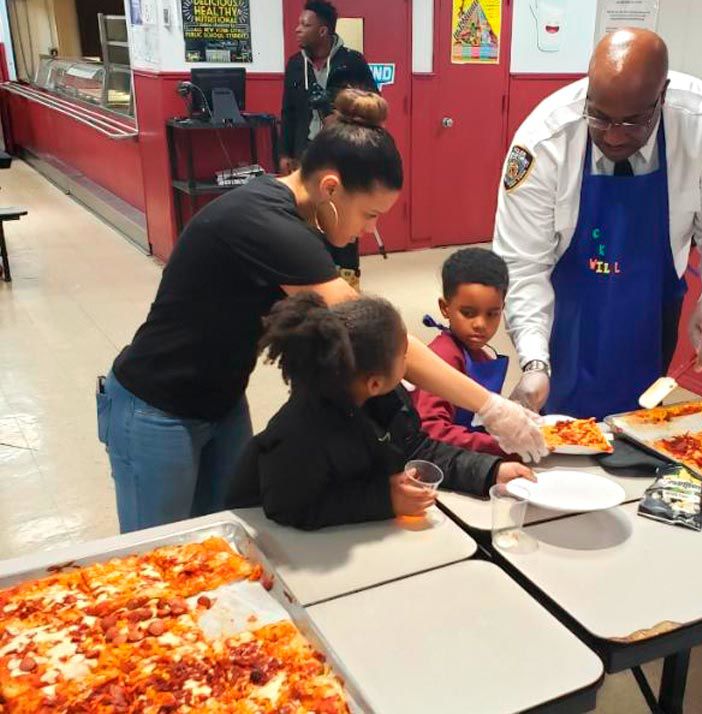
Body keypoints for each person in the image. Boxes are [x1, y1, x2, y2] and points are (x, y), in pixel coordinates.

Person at [97, 90, 544, 534]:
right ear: (330, 187)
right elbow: (388, 345)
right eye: (369, 214)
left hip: (222, 399)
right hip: (156, 405)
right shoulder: (268, 225)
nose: (371, 231)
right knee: (156, 553)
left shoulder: (291, 218)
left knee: (222, 537)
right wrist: (491, 406)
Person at [494, 29, 702, 420]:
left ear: (662, 95)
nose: (614, 135)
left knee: (640, 417)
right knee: (557, 418)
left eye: (634, 121)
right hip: (568, 307)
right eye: (600, 118)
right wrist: (534, 362)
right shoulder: (544, 139)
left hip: (653, 304)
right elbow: (522, 264)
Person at [227, 293, 534, 530]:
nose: (411, 361)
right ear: (374, 382)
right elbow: (291, 507)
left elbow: (418, 447)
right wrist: (384, 500)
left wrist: (489, 471)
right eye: (404, 354)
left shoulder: (387, 396)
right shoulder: (299, 433)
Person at [281, 1, 378, 290]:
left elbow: (373, 104)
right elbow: (288, 111)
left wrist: (338, 106)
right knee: (308, 218)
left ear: (323, 31)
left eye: (305, 25)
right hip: (306, 153)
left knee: (343, 218)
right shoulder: (295, 64)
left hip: (343, 155)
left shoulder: (353, 61)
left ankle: (347, 282)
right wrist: (285, 153)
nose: (298, 29)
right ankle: (316, 281)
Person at [412, 248, 510, 456]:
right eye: (468, 313)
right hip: (445, 464)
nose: (480, 324)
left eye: (492, 314)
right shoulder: (443, 356)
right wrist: (498, 445)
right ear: (445, 307)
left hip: (471, 455)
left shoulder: (482, 356)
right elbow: (431, 430)